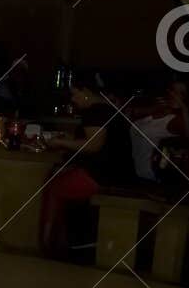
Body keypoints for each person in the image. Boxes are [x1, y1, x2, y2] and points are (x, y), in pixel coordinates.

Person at [39, 84, 137, 256]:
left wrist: (60, 143)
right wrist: (69, 140)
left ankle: (47, 244)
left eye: (75, 95)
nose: (72, 99)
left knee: (54, 187)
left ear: (87, 92)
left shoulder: (96, 112)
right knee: (57, 177)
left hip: (105, 176)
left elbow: (93, 145)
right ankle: (61, 241)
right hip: (119, 173)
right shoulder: (107, 109)